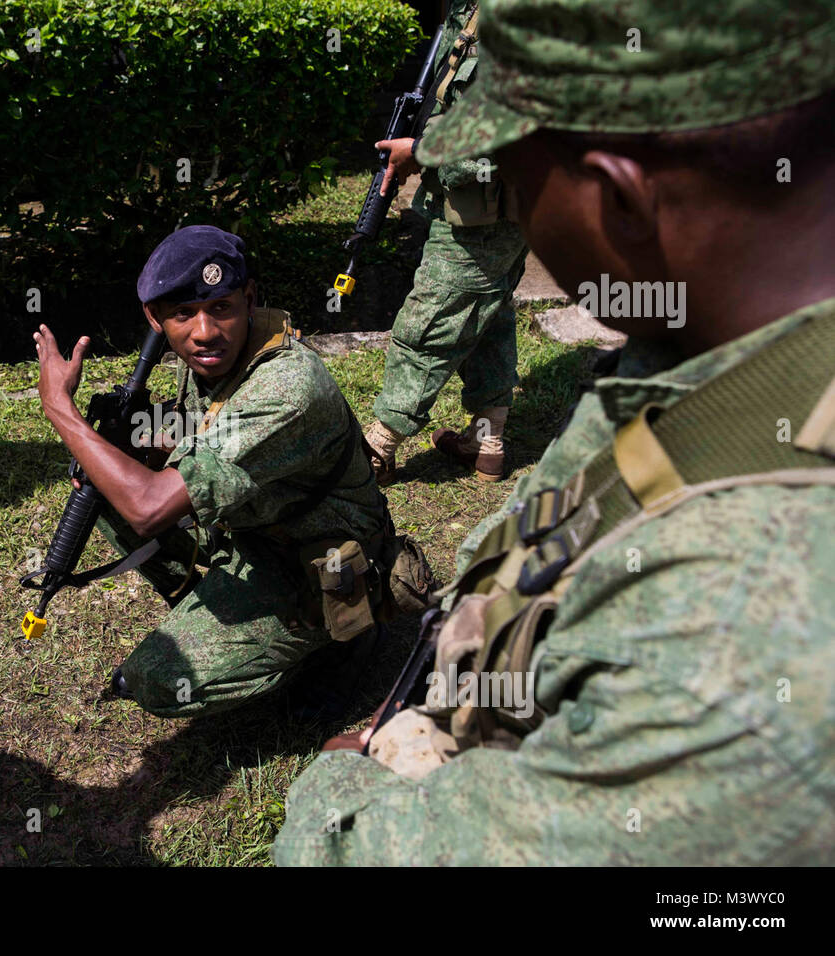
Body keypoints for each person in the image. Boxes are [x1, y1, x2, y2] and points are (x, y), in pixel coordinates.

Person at [274, 0, 835, 864]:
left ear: (617, 199)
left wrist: (337, 790)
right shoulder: (698, 339)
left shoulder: (730, 652)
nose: (518, 218)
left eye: (518, 180)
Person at [33, 225, 402, 717]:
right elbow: (195, 426)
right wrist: (136, 443)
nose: (205, 331)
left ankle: (344, 634)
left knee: (158, 680)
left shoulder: (287, 387)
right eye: (183, 313)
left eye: (221, 307)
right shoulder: (215, 357)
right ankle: (215, 613)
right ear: (155, 318)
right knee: (102, 487)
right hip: (254, 528)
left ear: (249, 299)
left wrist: (59, 407)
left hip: (318, 562)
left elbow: (148, 508)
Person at [362, 0, 528, 484]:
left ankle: (377, 449)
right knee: (489, 314)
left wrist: (423, 150)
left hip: (491, 207)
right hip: (487, 200)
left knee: (430, 321)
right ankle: (487, 439)